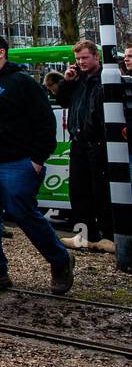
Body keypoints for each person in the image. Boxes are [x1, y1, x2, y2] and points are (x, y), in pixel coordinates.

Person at [0, 34, 73, 293]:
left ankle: (60, 260)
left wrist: (37, 159)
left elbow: (45, 122)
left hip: (13, 164)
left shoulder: (21, 82)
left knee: (24, 214)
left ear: (0, 53)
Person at [55, 40, 117, 253]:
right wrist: (67, 82)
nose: (80, 62)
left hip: (99, 140)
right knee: (79, 190)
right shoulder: (77, 80)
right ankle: (84, 233)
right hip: (78, 140)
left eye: (84, 58)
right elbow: (62, 101)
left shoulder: (106, 79)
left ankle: (108, 234)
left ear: (96, 57)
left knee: (101, 189)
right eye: (78, 59)